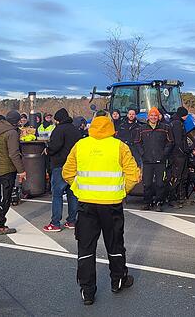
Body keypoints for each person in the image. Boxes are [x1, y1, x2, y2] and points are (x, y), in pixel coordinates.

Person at [62, 115, 139, 305]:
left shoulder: (81, 145)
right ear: (111, 128)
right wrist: (122, 191)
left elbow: (67, 172)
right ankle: (118, 280)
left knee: (86, 247)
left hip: (86, 203)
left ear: (91, 127)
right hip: (111, 203)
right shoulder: (119, 146)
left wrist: (80, 188)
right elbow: (133, 174)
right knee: (114, 243)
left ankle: (87, 291)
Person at [43, 108, 81, 232]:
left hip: (60, 165)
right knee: (72, 193)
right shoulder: (75, 130)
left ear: (58, 119)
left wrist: (48, 150)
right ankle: (71, 221)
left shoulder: (59, 130)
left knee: (57, 194)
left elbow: (55, 146)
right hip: (74, 166)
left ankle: (55, 223)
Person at [0, 110, 27, 234]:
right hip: (6, 170)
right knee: (4, 199)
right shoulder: (11, 133)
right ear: (16, 121)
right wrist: (21, 171)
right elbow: (14, 154)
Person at [135, 107, 173, 211]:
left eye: (155, 115)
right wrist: (143, 154)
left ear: (158, 117)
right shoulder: (142, 129)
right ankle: (147, 202)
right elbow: (137, 142)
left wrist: (164, 154)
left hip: (160, 161)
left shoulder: (165, 128)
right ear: (148, 117)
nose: (153, 117)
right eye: (151, 115)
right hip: (147, 161)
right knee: (147, 184)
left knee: (160, 183)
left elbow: (170, 142)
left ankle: (158, 202)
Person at [167, 106, 189, 207]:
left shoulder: (177, 122)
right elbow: (178, 141)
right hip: (178, 155)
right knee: (176, 177)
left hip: (180, 154)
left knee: (182, 176)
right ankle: (173, 198)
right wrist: (183, 151)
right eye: (186, 115)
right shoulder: (177, 124)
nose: (186, 117)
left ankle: (181, 197)